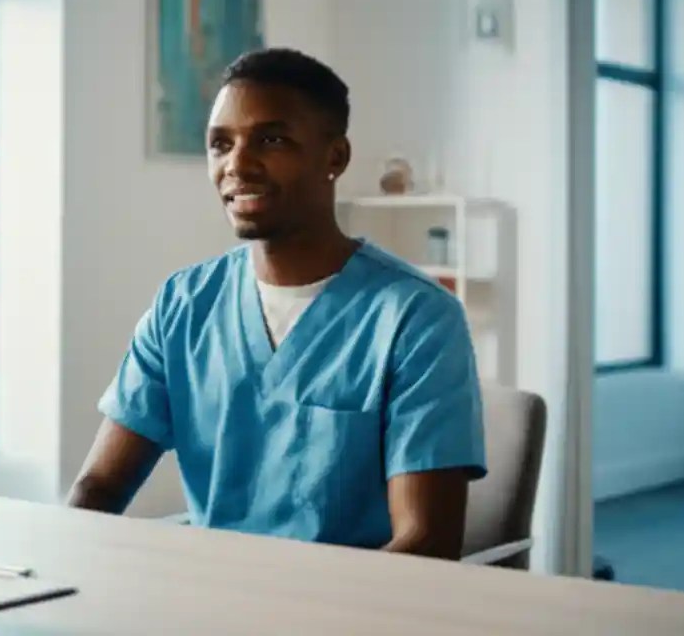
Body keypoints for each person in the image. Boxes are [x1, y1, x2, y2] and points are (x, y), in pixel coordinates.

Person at [68, 49, 486, 557]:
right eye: (220, 144)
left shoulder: (416, 319)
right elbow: (99, 488)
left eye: (271, 140)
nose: (237, 164)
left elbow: (426, 544)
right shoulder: (183, 305)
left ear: (335, 158)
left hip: (354, 612)